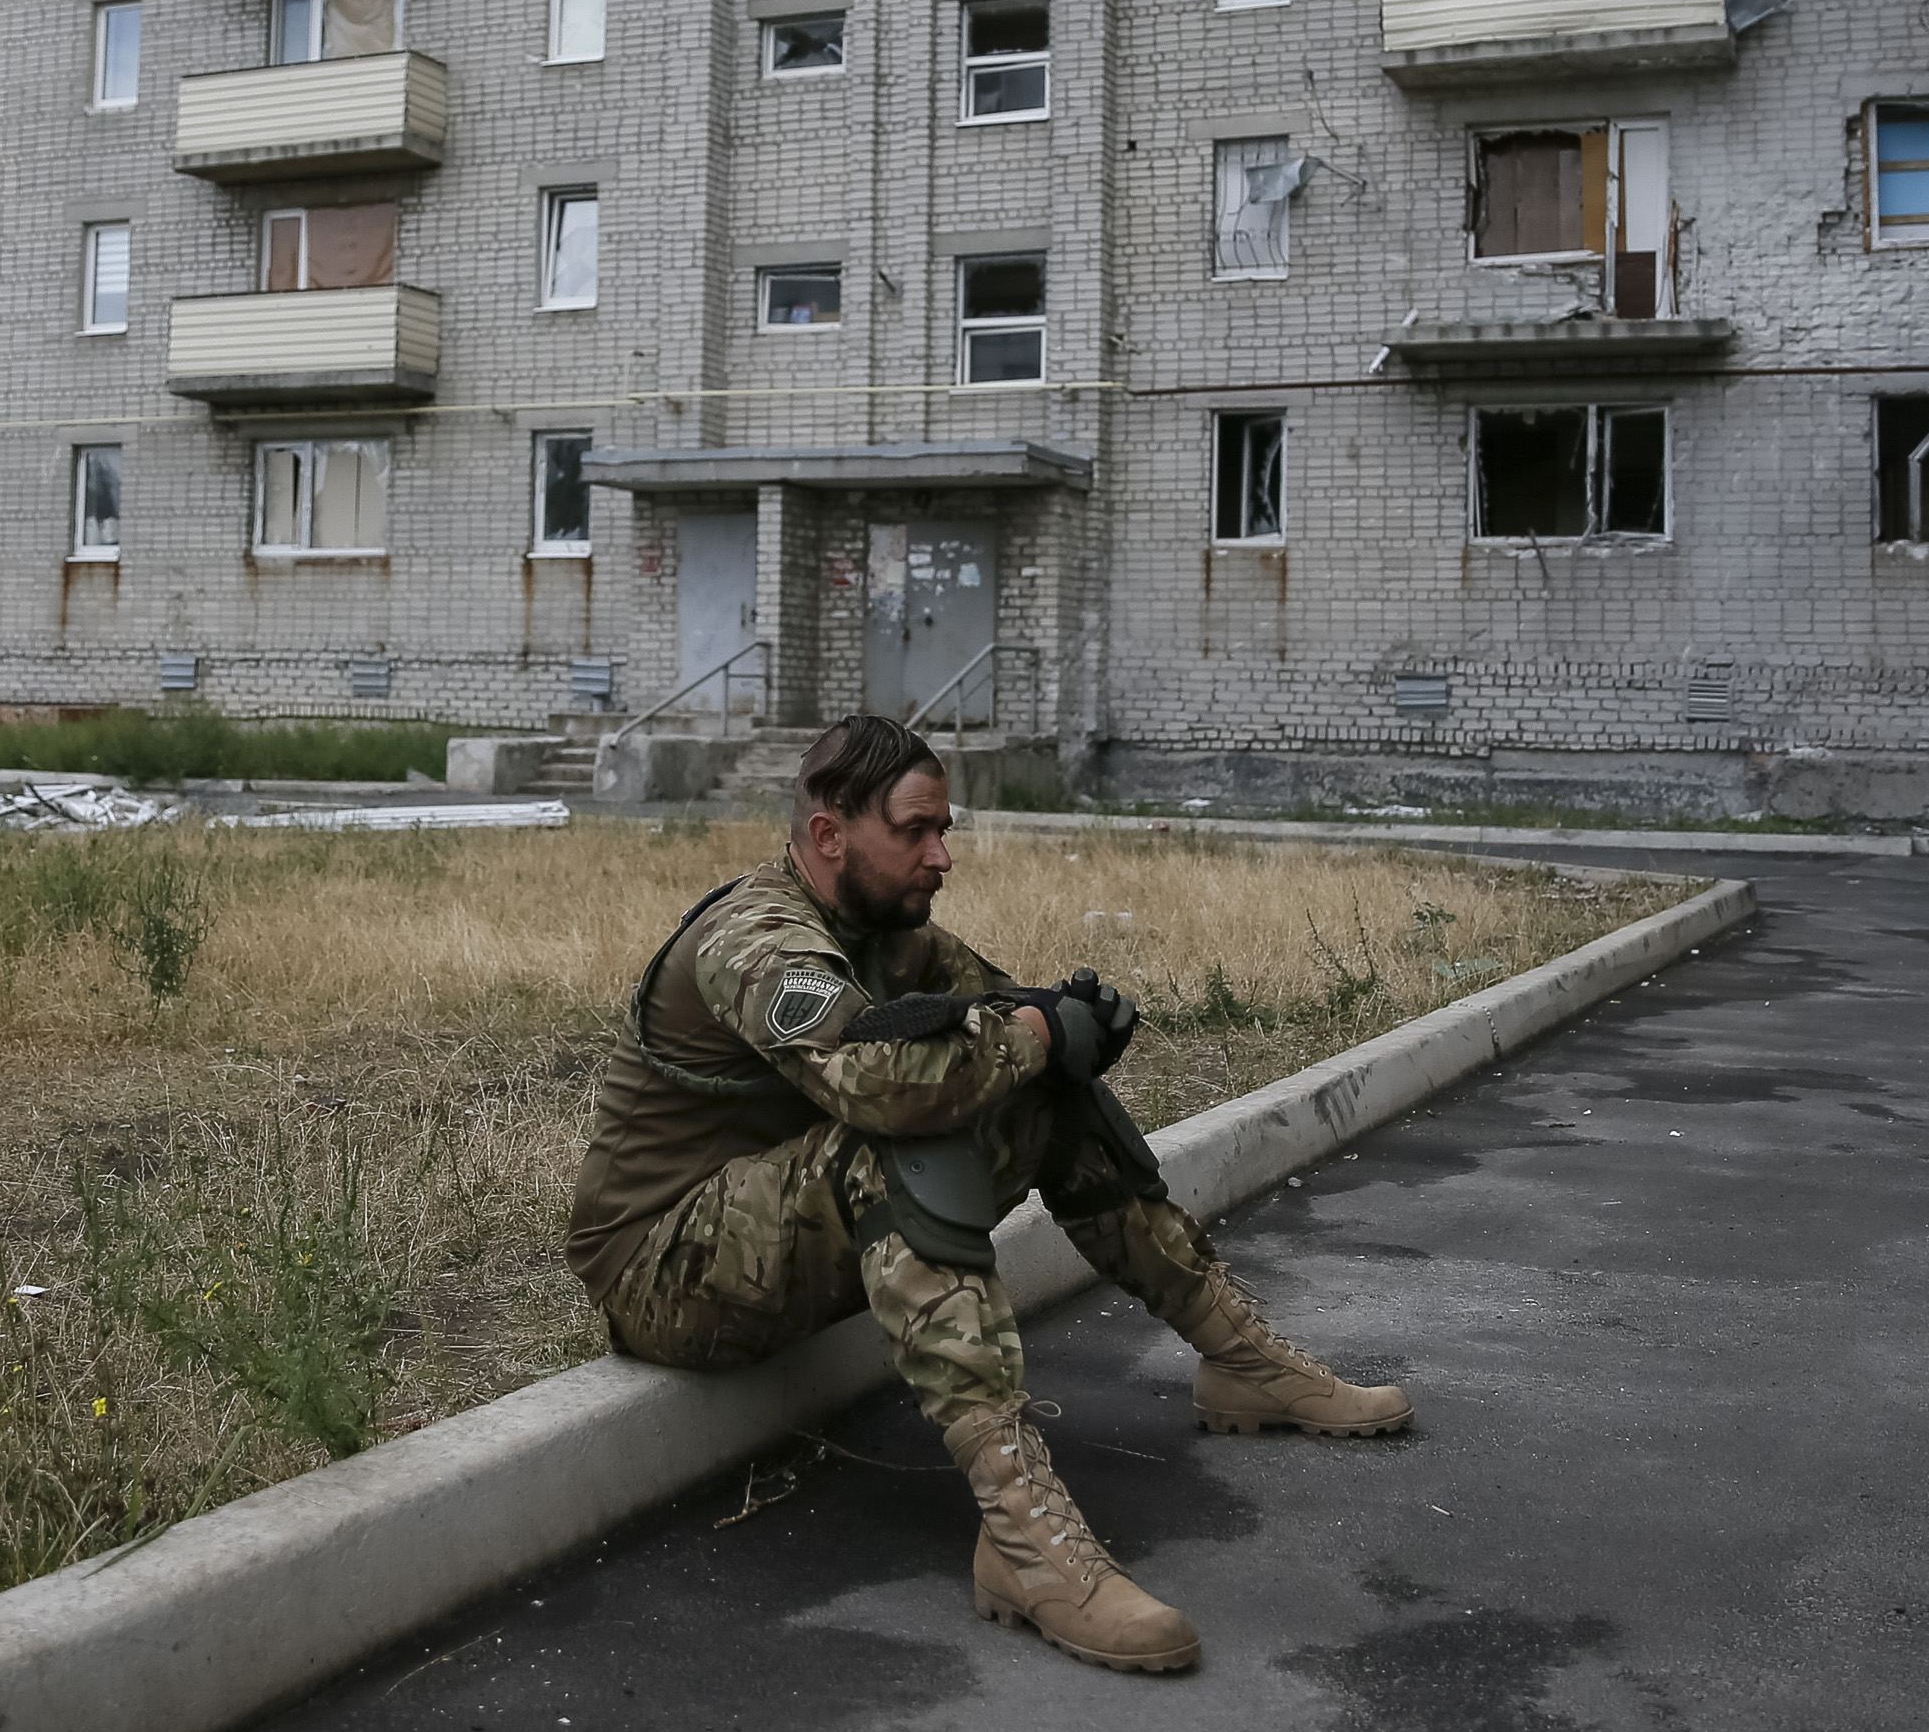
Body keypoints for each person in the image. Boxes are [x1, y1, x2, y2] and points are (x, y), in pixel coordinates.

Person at [567, 714, 1410, 1674]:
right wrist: (1039, 1037)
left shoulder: (891, 932)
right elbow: (876, 1080)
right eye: (917, 830)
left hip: (769, 1247)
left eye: (946, 829)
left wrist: (1070, 1021)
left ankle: (1239, 1357)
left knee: (1044, 1087)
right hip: (665, 1269)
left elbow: (1012, 1015)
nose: (943, 855)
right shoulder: (755, 936)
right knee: (895, 1140)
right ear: (829, 835)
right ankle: (1020, 1536)